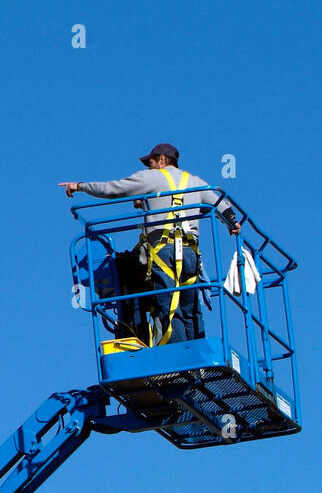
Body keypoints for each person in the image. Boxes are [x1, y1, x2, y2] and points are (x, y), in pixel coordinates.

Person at [60, 143, 241, 346]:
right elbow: (221, 204)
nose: (149, 167)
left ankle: (179, 359)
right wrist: (232, 222)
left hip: (164, 253)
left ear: (162, 160)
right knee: (190, 308)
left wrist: (81, 186)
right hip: (191, 254)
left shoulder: (152, 178)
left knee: (169, 308)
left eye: (151, 163)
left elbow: (113, 189)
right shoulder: (195, 181)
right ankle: (198, 355)